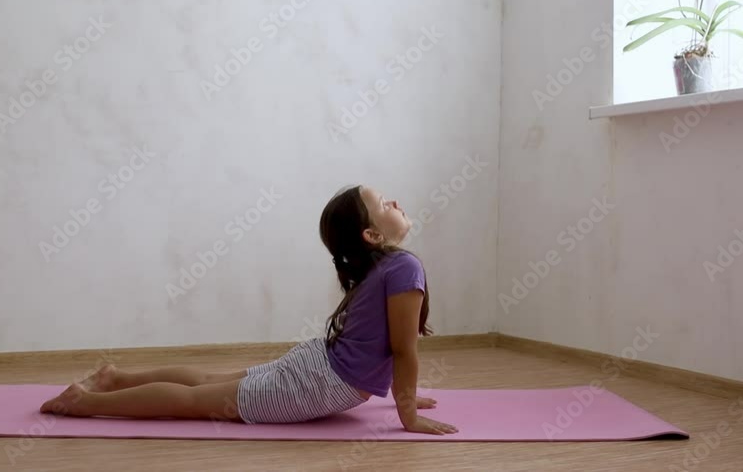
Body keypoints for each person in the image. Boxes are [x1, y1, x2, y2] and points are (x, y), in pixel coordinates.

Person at [40, 185, 458, 435]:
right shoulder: (404, 267)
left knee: (205, 382)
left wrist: (406, 395)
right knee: (194, 401)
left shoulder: (385, 267)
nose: (395, 201)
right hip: (319, 383)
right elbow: (403, 351)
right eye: (385, 203)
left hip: (319, 365)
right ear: (371, 234)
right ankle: (82, 401)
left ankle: (114, 378)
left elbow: (383, 345)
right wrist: (407, 415)